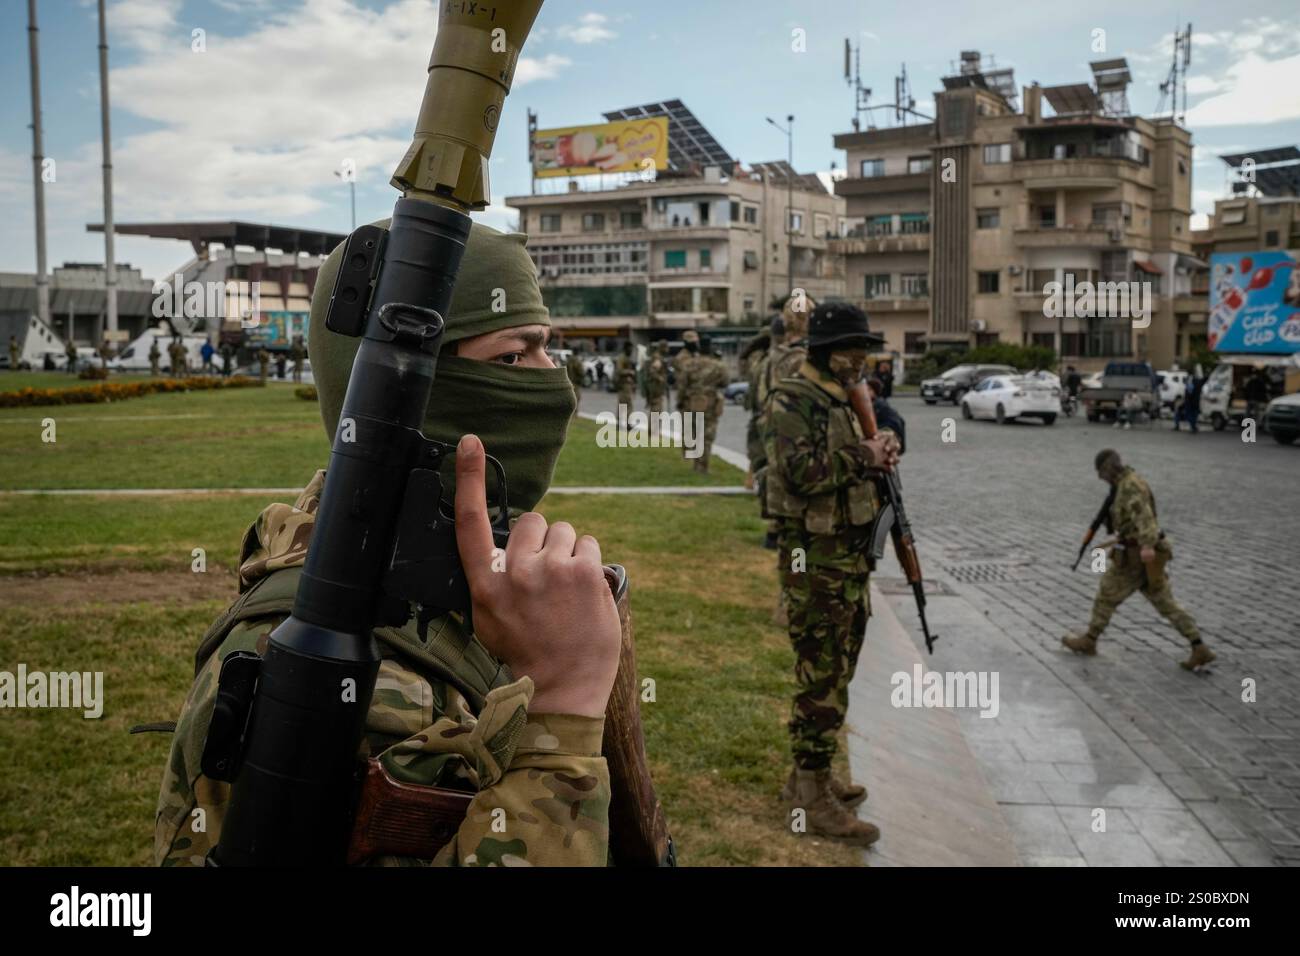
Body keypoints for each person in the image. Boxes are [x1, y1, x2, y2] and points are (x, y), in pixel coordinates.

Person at [155, 222, 619, 867]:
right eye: (514, 357)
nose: (556, 383)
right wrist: (566, 707)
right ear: (403, 389)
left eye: (547, 349)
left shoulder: (453, 574)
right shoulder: (359, 666)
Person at [764, 301, 899, 847]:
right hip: (816, 562)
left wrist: (882, 446)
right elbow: (798, 474)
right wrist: (863, 457)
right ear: (828, 352)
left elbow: (858, 453)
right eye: (855, 350)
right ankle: (811, 795)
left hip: (847, 558)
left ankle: (808, 778)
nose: (863, 359)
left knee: (838, 670)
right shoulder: (794, 397)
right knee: (820, 679)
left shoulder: (844, 397)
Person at [1063, 449, 1214, 670]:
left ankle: (1089, 641)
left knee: (1106, 595)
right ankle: (1199, 646)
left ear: (1108, 469)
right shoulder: (1126, 483)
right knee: (1166, 604)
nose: (1099, 477)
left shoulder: (1129, 486)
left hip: (1135, 558)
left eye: (1100, 472)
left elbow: (1145, 517)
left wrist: (1146, 546)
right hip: (1139, 555)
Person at [675, 331, 727, 473]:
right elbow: (725, 382)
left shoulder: (690, 364)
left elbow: (682, 384)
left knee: (696, 432)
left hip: (694, 402)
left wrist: (680, 400)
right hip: (711, 402)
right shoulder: (718, 365)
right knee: (708, 435)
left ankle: (696, 463)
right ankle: (703, 466)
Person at [867, 376, 906, 455]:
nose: (865, 392)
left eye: (869, 389)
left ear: (875, 392)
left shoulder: (879, 405)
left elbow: (897, 423)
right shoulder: (872, 404)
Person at [642, 340, 670, 420]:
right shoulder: (658, 358)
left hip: (655, 388)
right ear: (663, 348)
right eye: (666, 348)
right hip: (656, 388)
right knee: (656, 410)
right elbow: (653, 371)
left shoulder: (657, 356)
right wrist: (660, 378)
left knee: (655, 411)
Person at [614, 340, 636, 414]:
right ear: (626, 348)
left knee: (626, 404)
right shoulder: (622, 358)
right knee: (625, 404)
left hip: (628, 385)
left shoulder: (627, 358)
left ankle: (626, 422)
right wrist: (629, 372)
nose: (631, 351)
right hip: (623, 385)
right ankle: (625, 423)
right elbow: (619, 371)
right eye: (630, 349)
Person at [565, 350, 585, 415]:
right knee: (576, 397)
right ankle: (574, 413)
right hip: (575, 382)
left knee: (569, 397)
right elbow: (581, 372)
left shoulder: (568, 360)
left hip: (568, 381)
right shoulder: (577, 361)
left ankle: (569, 412)